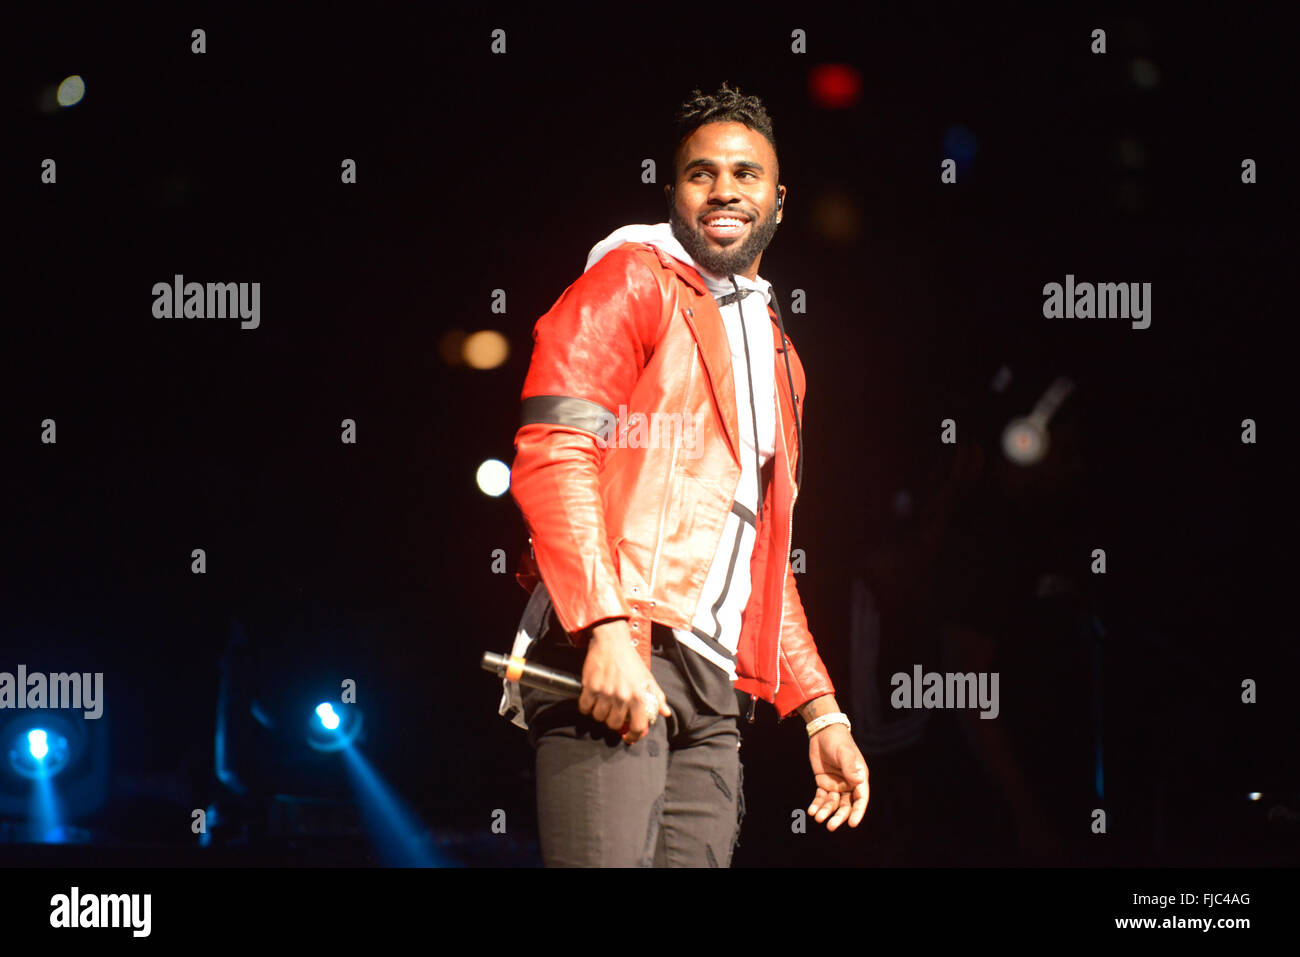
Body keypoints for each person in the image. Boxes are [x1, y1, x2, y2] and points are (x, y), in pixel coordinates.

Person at [502, 82, 869, 867]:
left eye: (747, 174)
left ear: (778, 199)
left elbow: (759, 552)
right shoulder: (632, 279)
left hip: (715, 692)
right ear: (672, 192)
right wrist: (604, 629)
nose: (725, 189)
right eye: (701, 174)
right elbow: (554, 449)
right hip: (620, 644)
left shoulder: (778, 356)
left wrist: (819, 708)